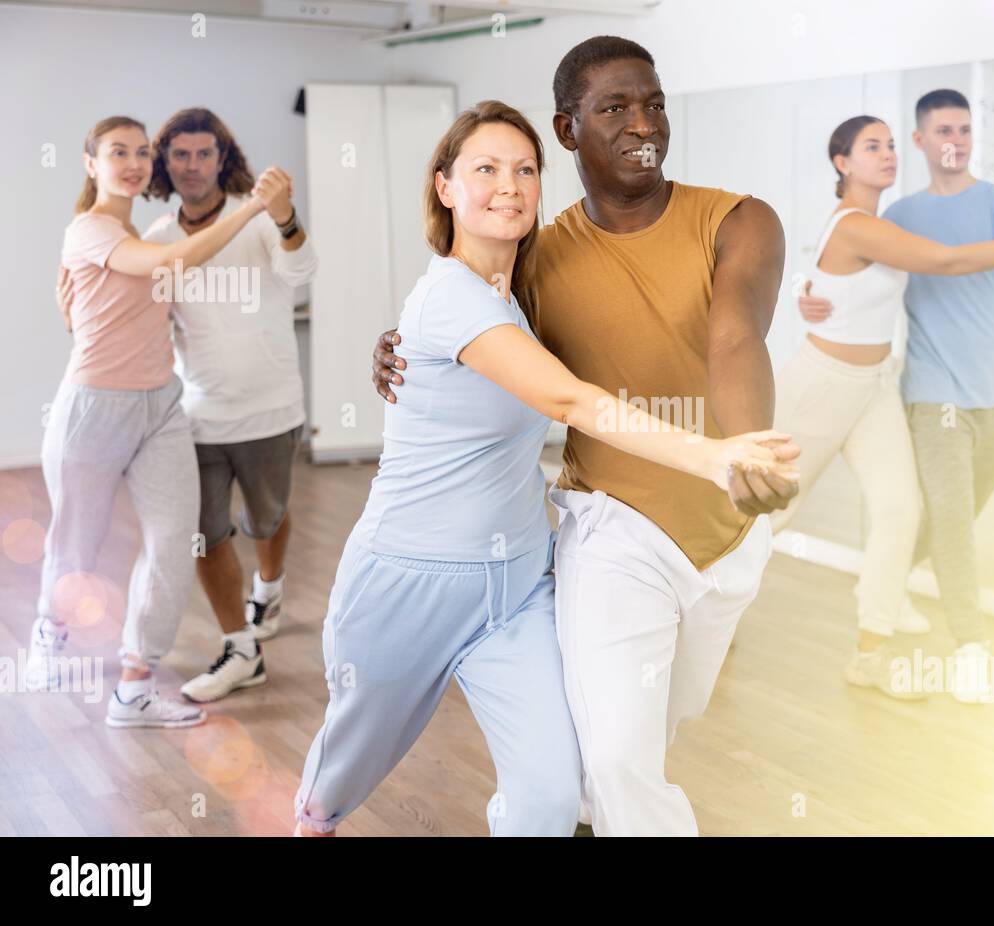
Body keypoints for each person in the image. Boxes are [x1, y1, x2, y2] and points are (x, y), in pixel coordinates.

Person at [295, 100, 795, 836]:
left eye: (525, 169)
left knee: (552, 800)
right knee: (331, 792)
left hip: (517, 588)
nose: (510, 184)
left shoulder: (521, 293)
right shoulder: (447, 297)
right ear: (445, 187)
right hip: (410, 578)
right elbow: (570, 398)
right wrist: (715, 454)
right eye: (486, 169)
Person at [775, 114, 994, 700]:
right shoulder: (856, 223)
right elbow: (945, 261)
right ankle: (686, 609)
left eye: (891, 145)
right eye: (873, 147)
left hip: (875, 387)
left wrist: (805, 291)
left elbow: (831, 280)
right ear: (842, 163)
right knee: (768, 514)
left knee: (901, 511)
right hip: (821, 383)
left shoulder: (881, 220)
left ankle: (871, 653)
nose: (887, 154)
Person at [55, 108, 318, 702]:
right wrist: (71, 305)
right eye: (180, 155)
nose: (192, 166)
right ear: (164, 165)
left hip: (271, 408)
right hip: (194, 413)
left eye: (204, 154)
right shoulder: (155, 239)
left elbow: (302, 270)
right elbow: (126, 318)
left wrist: (285, 217)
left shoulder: (255, 222)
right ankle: (240, 647)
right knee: (206, 534)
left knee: (267, 520)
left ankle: (268, 589)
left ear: (222, 159)